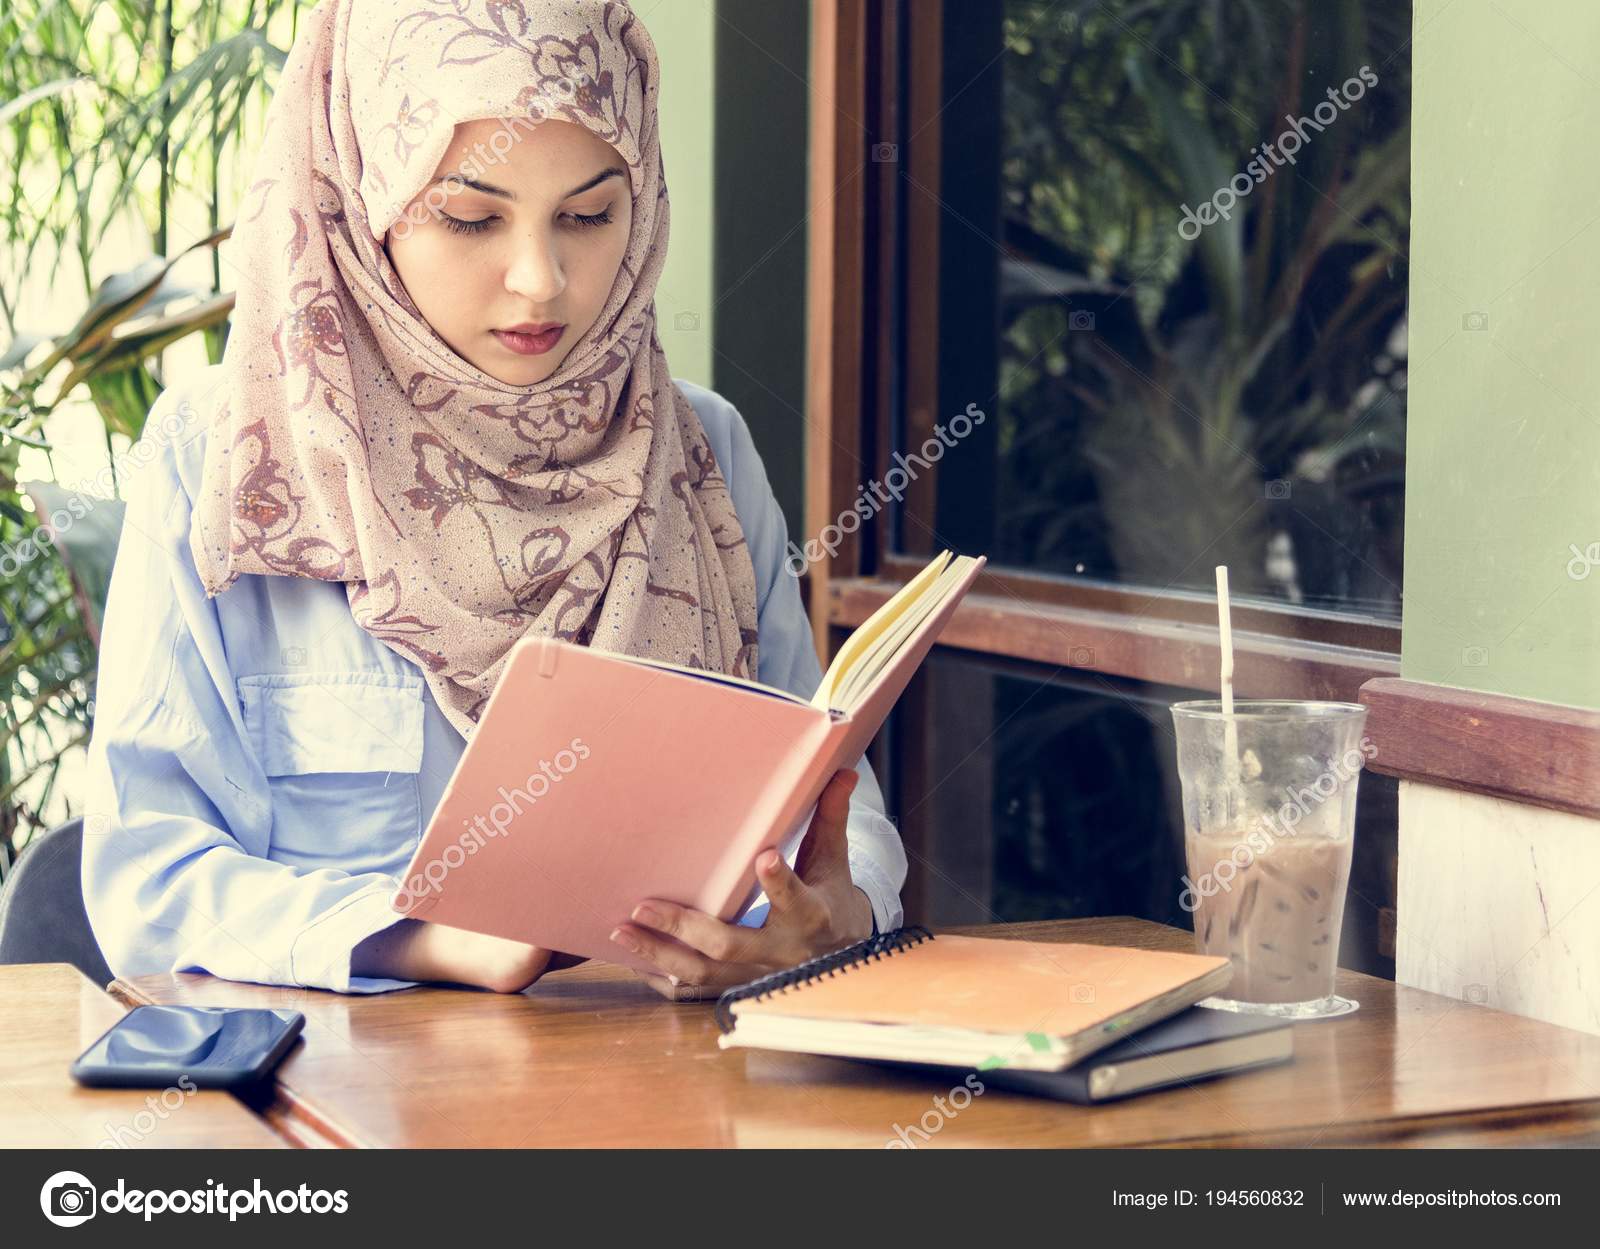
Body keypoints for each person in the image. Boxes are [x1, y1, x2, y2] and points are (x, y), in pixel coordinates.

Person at [81, 0, 906, 999]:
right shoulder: (228, 451)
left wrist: (832, 915)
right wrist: (428, 938)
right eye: (470, 217)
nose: (541, 281)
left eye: (590, 215)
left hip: (664, 1104)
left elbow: (819, 802)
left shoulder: (701, 448)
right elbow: (148, 878)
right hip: (343, 1121)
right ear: (361, 202)